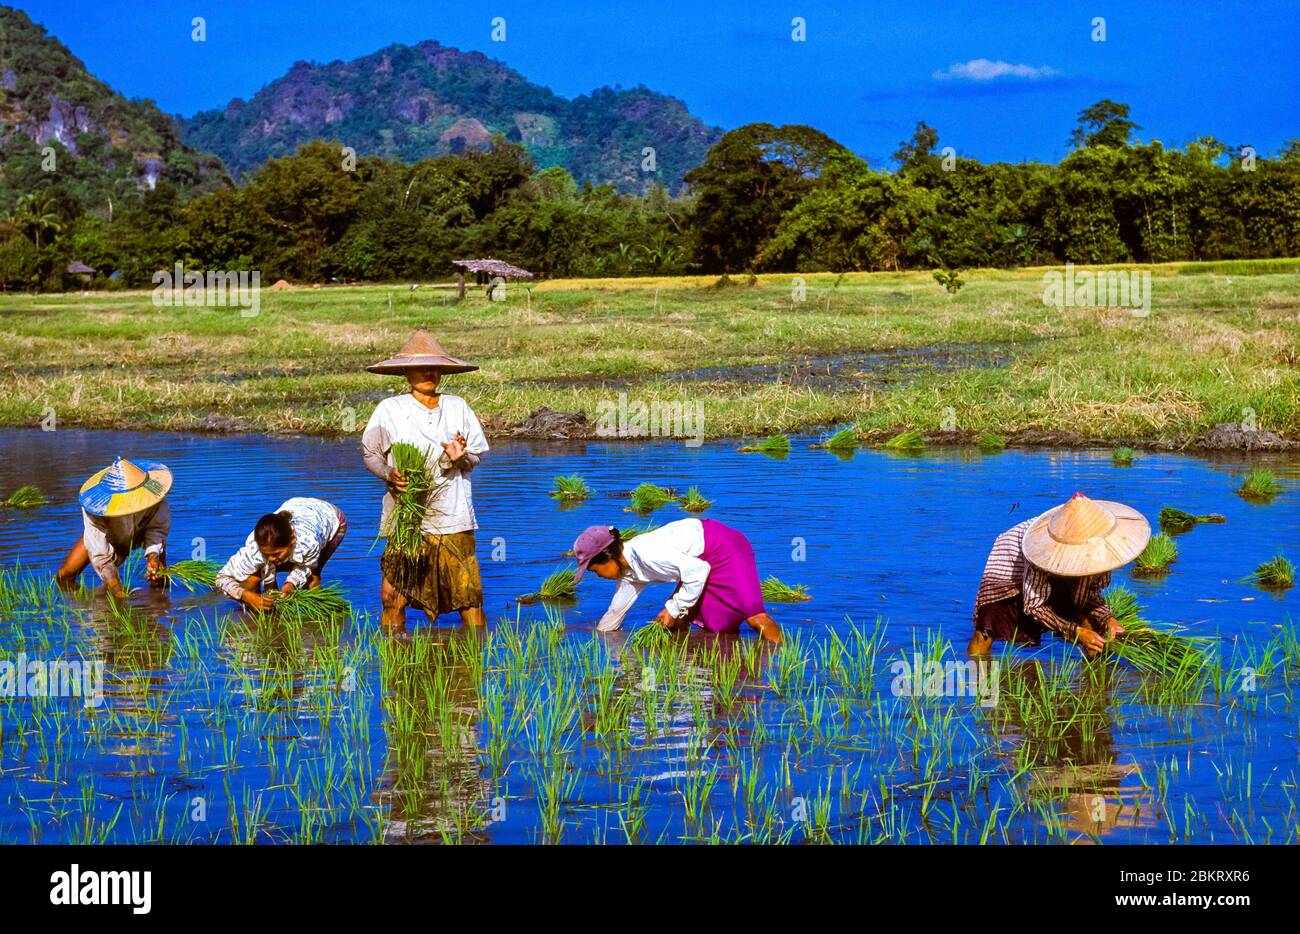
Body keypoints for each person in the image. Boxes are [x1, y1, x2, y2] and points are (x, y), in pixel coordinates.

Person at [361, 329, 489, 632]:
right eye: (421, 367)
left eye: (435, 367)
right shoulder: (389, 410)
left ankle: (472, 663)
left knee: (467, 597)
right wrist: (389, 474)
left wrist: (460, 457)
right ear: (405, 372)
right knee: (392, 596)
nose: (429, 373)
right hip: (405, 517)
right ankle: (396, 663)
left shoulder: (458, 407)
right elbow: (370, 455)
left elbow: (474, 459)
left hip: (452, 516)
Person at [969, 492, 1150, 658]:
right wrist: (1075, 632)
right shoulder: (1039, 547)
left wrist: (1108, 619)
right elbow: (1034, 607)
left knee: (1088, 618)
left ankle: (1095, 677)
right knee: (987, 629)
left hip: (1049, 573)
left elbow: (1090, 595)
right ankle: (976, 677)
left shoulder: (1103, 548)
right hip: (1010, 577)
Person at [572, 518, 782, 643]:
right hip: (699, 560)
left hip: (725, 547)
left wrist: (673, 607)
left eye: (594, 569)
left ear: (608, 556)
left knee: (754, 617)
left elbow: (698, 570)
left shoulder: (647, 553)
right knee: (718, 628)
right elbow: (616, 611)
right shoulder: (628, 572)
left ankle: (782, 662)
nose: (596, 575)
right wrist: (601, 636)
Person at [56, 456, 172, 600]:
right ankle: (86, 603)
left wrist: (153, 555)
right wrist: (118, 592)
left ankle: (159, 608)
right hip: (108, 535)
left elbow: (157, 530)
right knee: (64, 576)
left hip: (143, 531)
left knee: (158, 578)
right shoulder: (95, 508)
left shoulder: (153, 497)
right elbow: (100, 556)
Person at [214, 497, 347, 612]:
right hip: (297, 507)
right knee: (252, 579)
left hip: (331, 518)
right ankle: (257, 611)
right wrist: (245, 595)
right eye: (267, 554)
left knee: (311, 579)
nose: (272, 559)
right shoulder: (253, 549)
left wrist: (291, 584)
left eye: (277, 554)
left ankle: (325, 615)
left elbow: (305, 567)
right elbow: (221, 578)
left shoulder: (308, 543)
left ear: (292, 541)